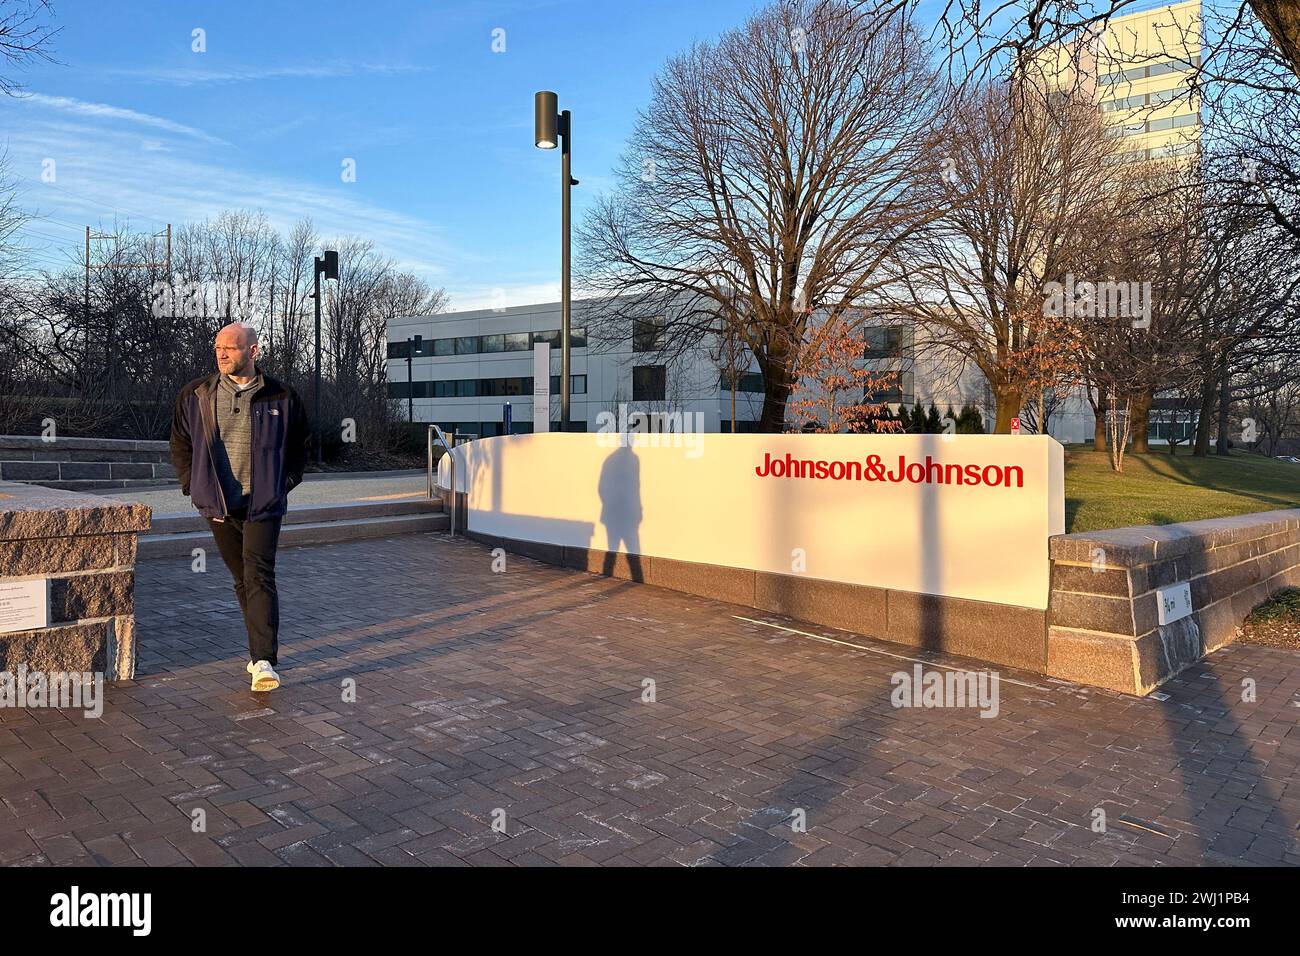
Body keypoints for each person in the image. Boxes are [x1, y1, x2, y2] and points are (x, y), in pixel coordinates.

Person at [168, 321, 311, 691]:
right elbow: (180, 443)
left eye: (231, 347)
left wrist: (285, 483)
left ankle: (263, 660)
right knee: (241, 579)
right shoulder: (196, 393)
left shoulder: (281, 396)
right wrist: (192, 485)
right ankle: (258, 652)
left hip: (262, 503)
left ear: (253, 351)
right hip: (219, 503)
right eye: (218, 347)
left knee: (259, 573)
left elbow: (301, 447)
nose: (222, 353)